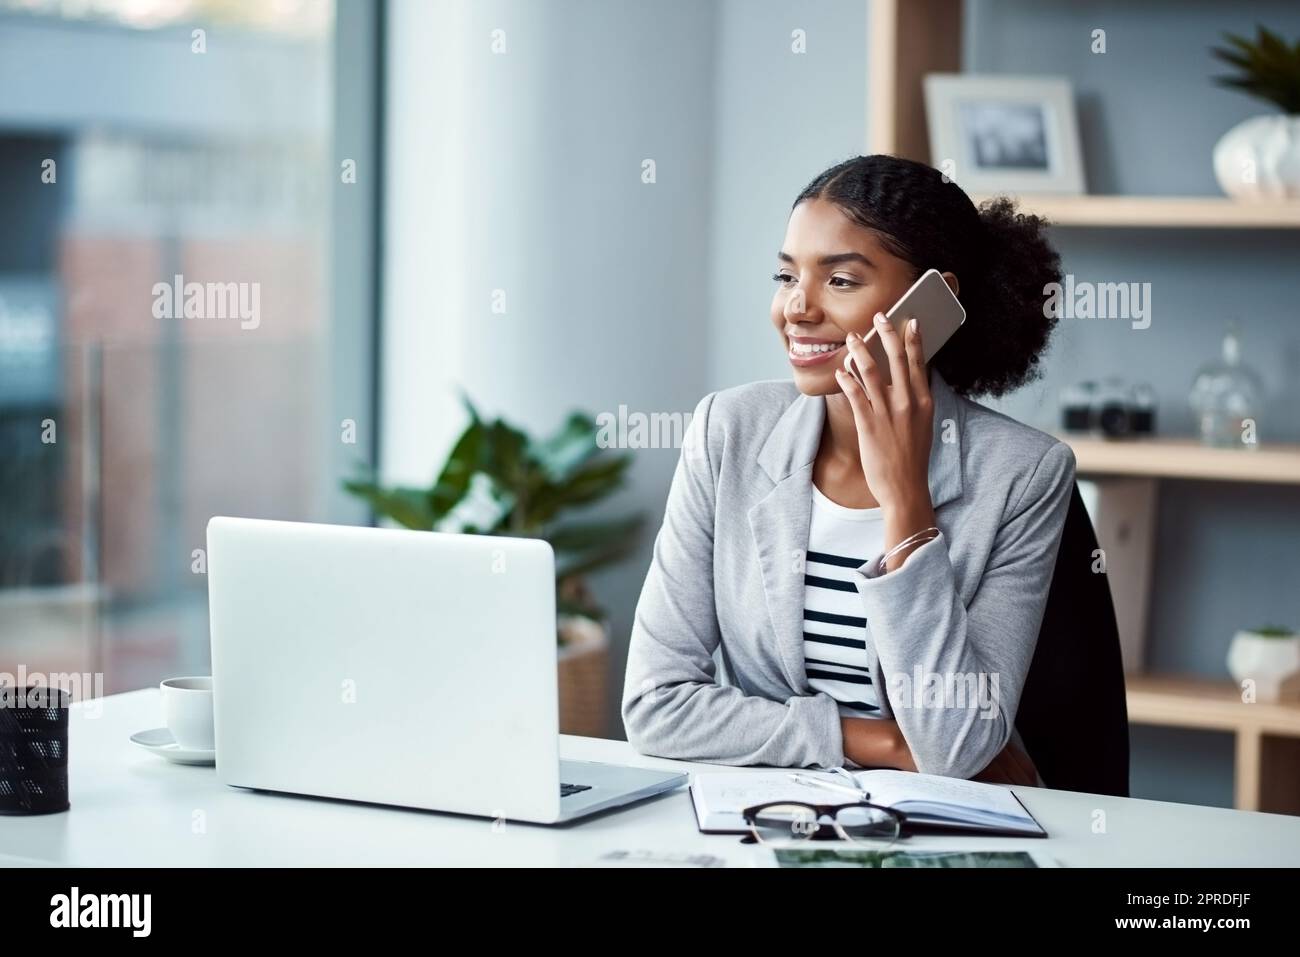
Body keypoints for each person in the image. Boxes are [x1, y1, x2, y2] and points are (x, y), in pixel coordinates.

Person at [621, 154, 1074, 786]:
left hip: (942, 834)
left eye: (840, 281)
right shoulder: (728, 430)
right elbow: (655, 706)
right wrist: (877, 742)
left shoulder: (1024, 474)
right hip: (769, 817)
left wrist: (906, 502)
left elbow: (956, 747)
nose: (796, 310)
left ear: (936, 301)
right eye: (786, 276)